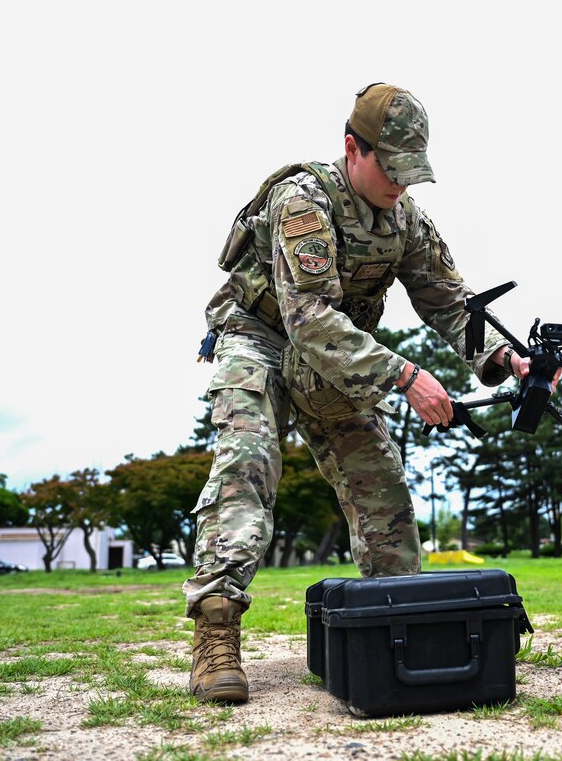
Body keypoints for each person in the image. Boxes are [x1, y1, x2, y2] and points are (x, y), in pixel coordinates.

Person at [184, 83, 534, 704]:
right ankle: (216, 635)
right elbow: (309, 318)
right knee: (247, 464)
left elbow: (449, 303)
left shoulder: (406, 219)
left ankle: (407, 627)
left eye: (410, 170)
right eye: (390, 167)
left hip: (336, 357)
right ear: (354, 148)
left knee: (383, 488)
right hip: (259, 337)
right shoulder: (303, 200)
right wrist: (405, 377)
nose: (401, 183)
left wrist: (505, 358)